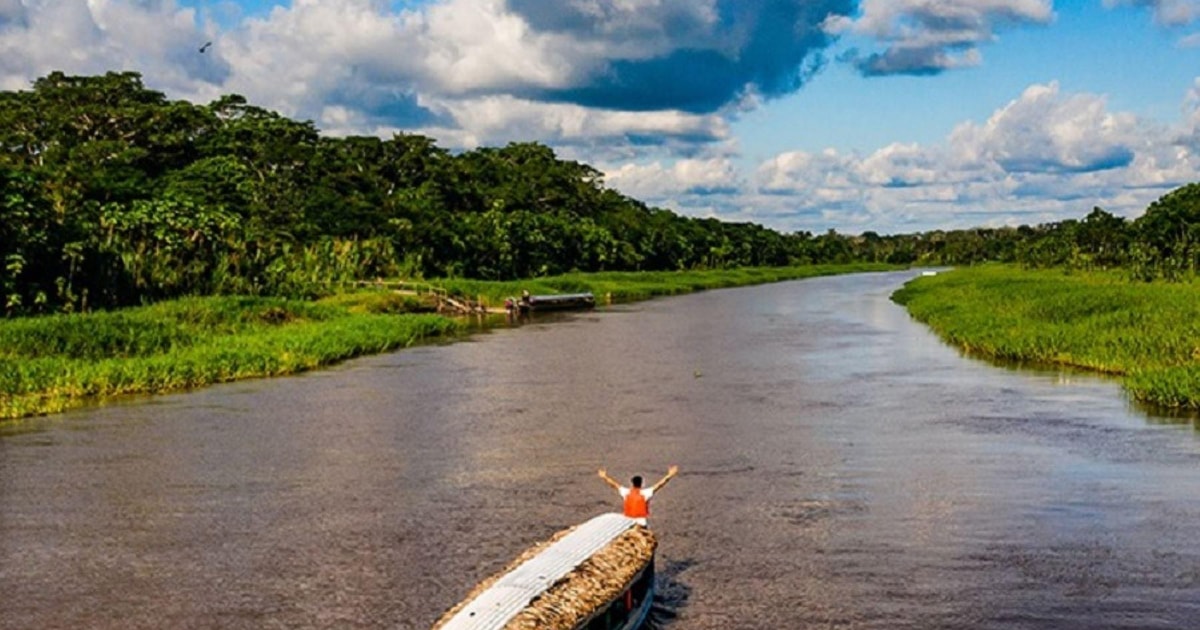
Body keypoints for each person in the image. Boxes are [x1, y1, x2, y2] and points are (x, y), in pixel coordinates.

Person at [598, 465, 678, 526]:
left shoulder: (626, 492)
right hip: (641, 522)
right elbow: (660, 485)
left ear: (632, 483)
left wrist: (604, 477)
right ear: (642, 484)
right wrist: (669, 475)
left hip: (627, 522)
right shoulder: (645, 493)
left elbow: (614, 484)